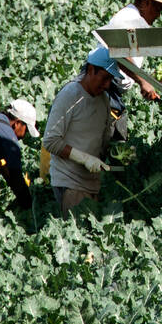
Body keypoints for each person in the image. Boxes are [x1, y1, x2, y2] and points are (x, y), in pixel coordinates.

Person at [43, 49, 120, 212]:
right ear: (91, 69)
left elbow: (105, 137)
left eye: (110, 79)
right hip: (69, 183)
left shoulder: (104, 99)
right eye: (105, 78)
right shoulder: (70, 95)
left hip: (92, 184)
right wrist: (84, 158)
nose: (107, 85)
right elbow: (51, 141)